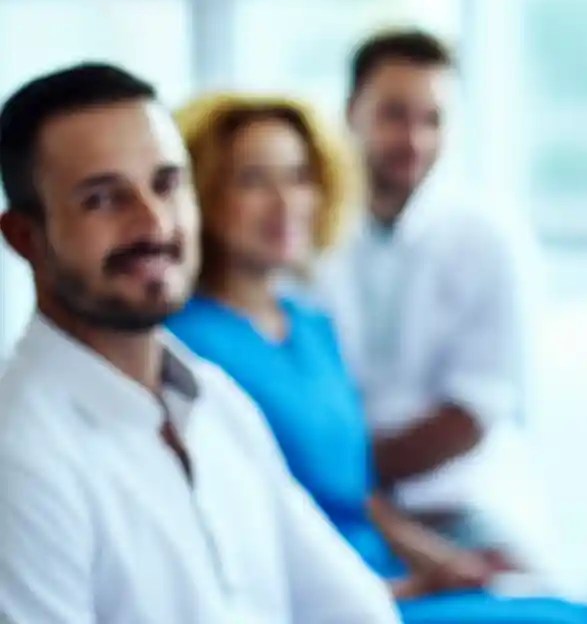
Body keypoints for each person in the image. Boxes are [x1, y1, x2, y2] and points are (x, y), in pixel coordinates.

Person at [165, 93, 587, 624]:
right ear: (202, 195)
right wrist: (406, 590)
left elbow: (359, 496)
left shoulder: (310, 326)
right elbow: (236, 541)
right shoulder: (188, 345)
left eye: (298, 176)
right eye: (253, 180)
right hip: (330, 605)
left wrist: (450, 564)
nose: (285, 201)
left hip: (386, 577)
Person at [0, 64, 398, 623]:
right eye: (102, 199)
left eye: (166, 184)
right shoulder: (22, 457)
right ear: (25, 237)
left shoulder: (218, 404)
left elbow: (357, 611)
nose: (154, 223)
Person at [312, 28, 535, 566]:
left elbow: (474, 412)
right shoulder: (305, 233)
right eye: (393, 114)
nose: (413, 140)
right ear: (350, 112)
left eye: (432, 120)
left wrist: (344, 472)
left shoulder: (486, 237)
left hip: (453, 507)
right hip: (322, 510)